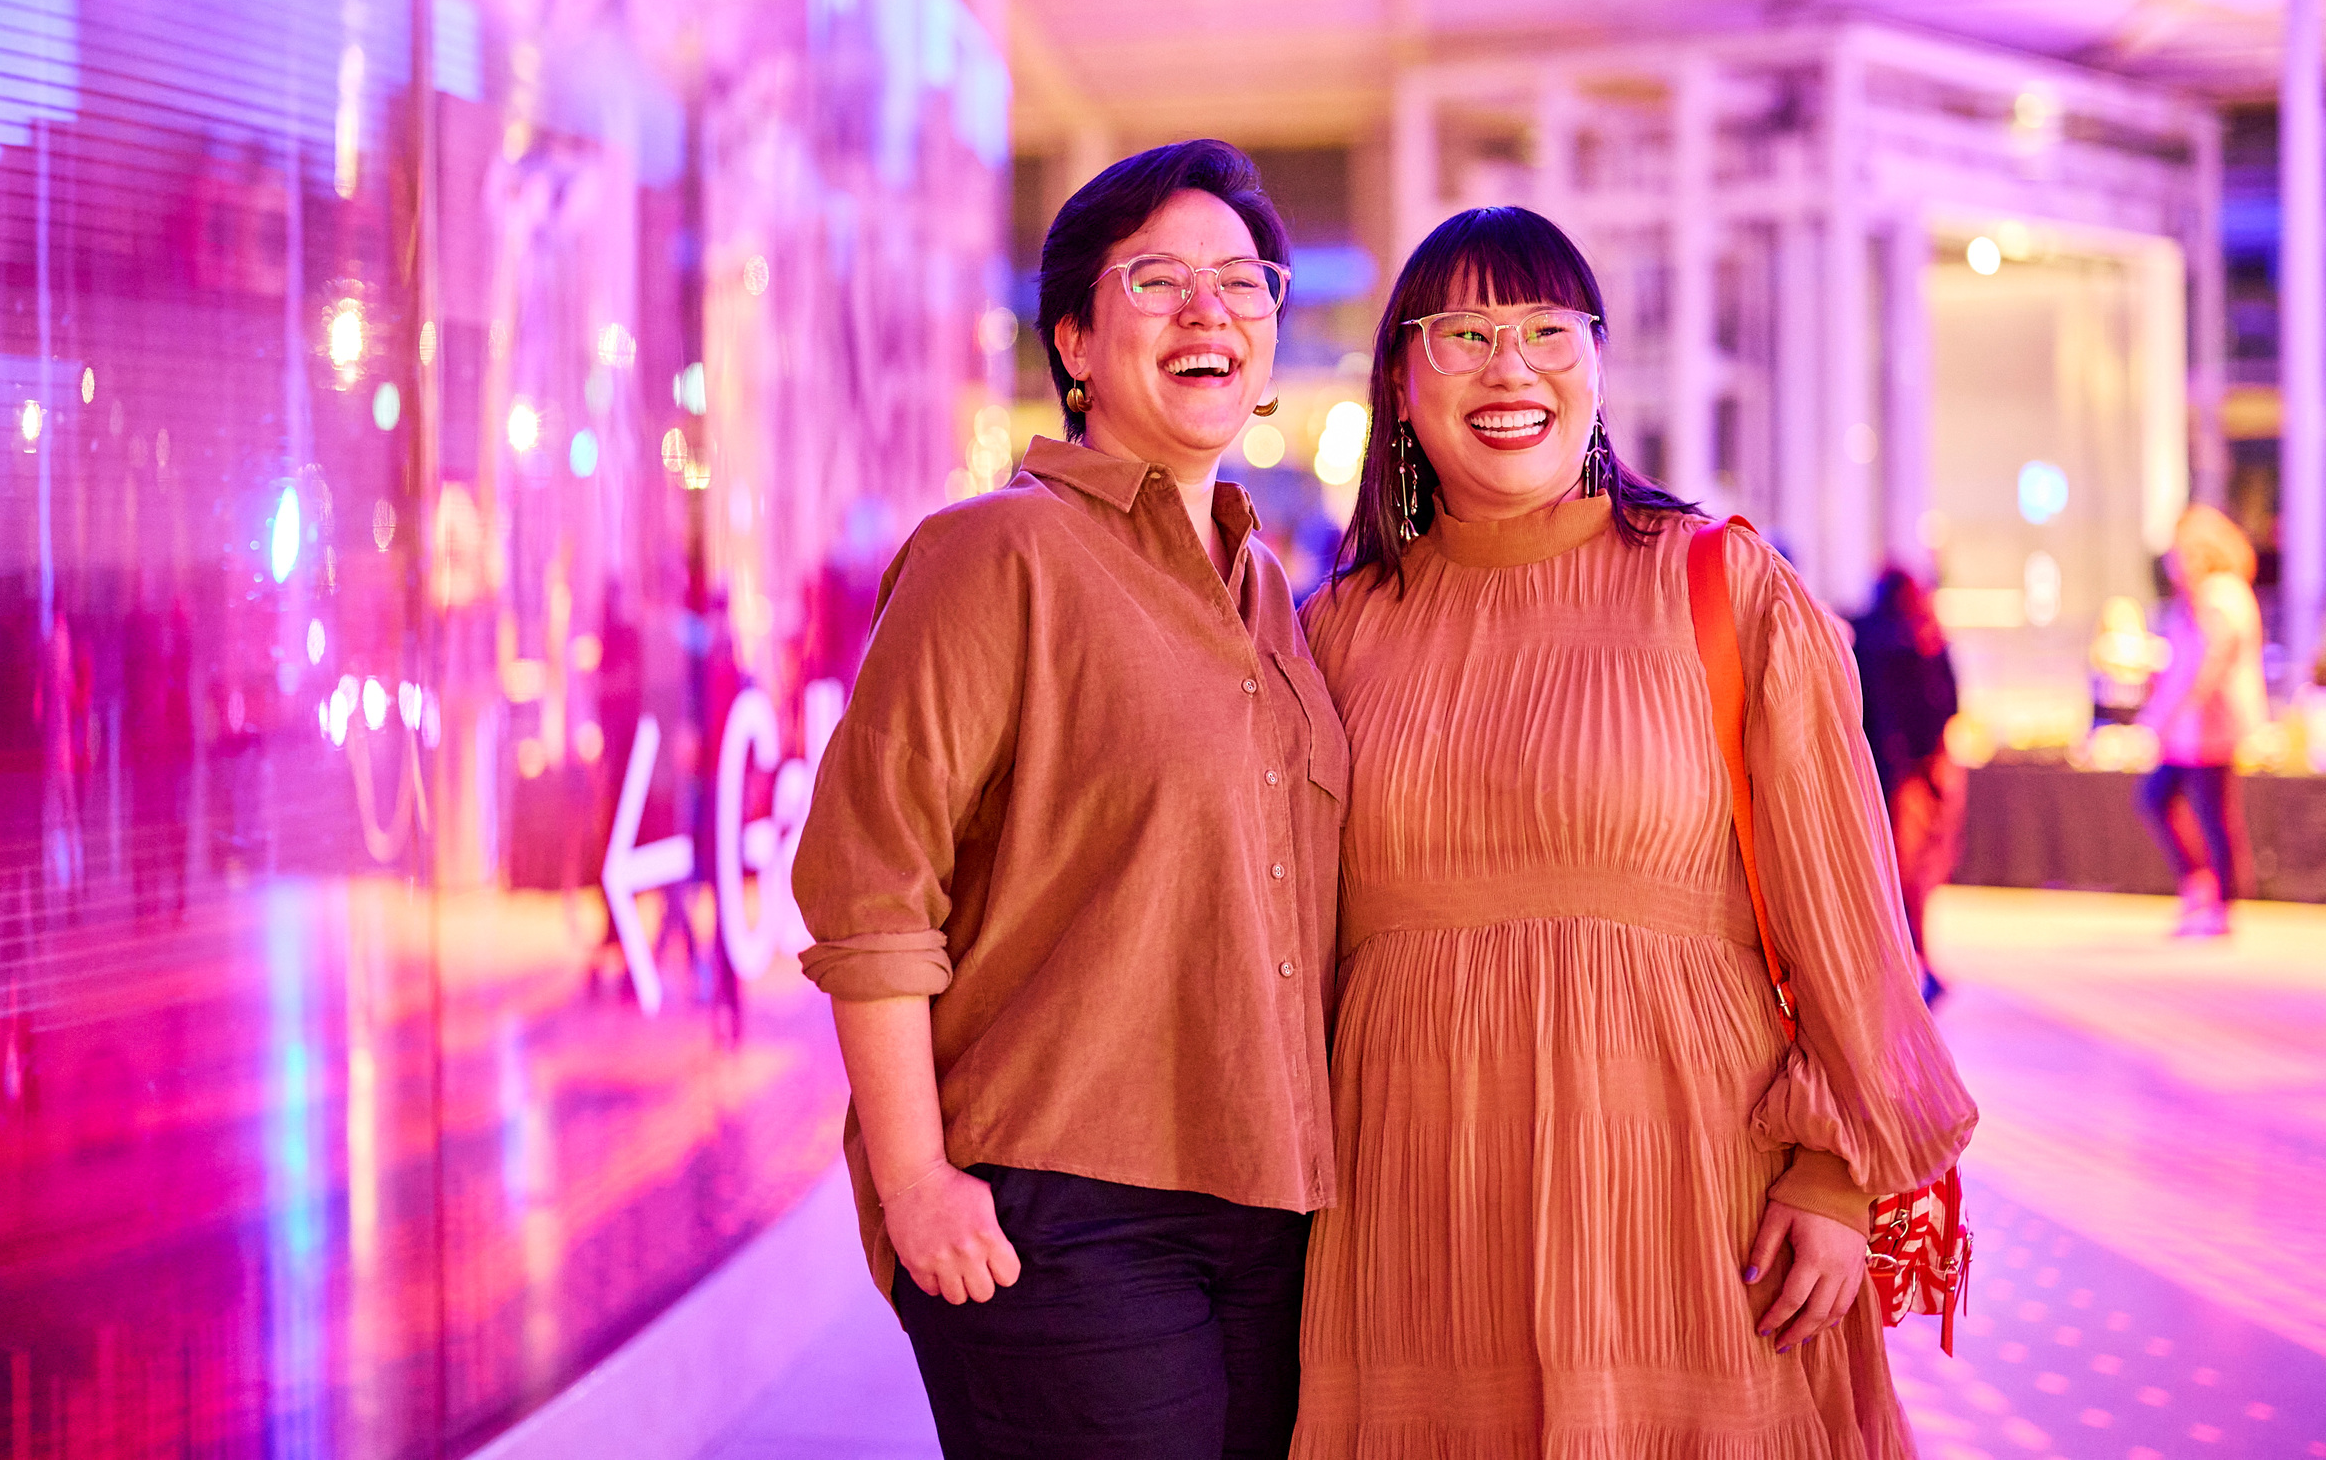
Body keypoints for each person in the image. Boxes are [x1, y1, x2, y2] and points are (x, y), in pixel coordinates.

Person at [1291, 206, 1977, 1458]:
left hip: (1698, 1186)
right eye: (1464, 335)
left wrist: (1835, 1174)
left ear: (1597, 367)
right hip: (1415, 1193)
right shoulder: (1332, 633)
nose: (1511, 368)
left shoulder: (1724, 584)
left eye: (1548, 330)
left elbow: (1847, 910)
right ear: (1399, 377)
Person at [792, 139, 1344, 1459]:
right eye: (1159, 280)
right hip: (1061, 1205)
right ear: (1078, 342)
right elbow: (869, 881)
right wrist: (914, 1174)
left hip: (1271, 1201)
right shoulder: (999, 552)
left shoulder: (1267, 589)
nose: (1211, 310)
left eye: (1243, 282)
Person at [2135, 505, 2266, 937]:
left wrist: (2169, 716)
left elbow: (2207, 665)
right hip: (2191, 727)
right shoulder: (2198, 596)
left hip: (2209, 725)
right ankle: (2202, 889)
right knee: (2161, 797)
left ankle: (2219, 902)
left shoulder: (2221, 595)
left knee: (2214, 812)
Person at [1850, 566, 1965, 1001]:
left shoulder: (1881, 639)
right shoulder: (1907, 644)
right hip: (1907, 778)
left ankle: (1910, 961)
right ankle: (1910, 961)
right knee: (1908, 874)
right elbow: (1938, 706)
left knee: (1907, 873)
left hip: (1900, 774)